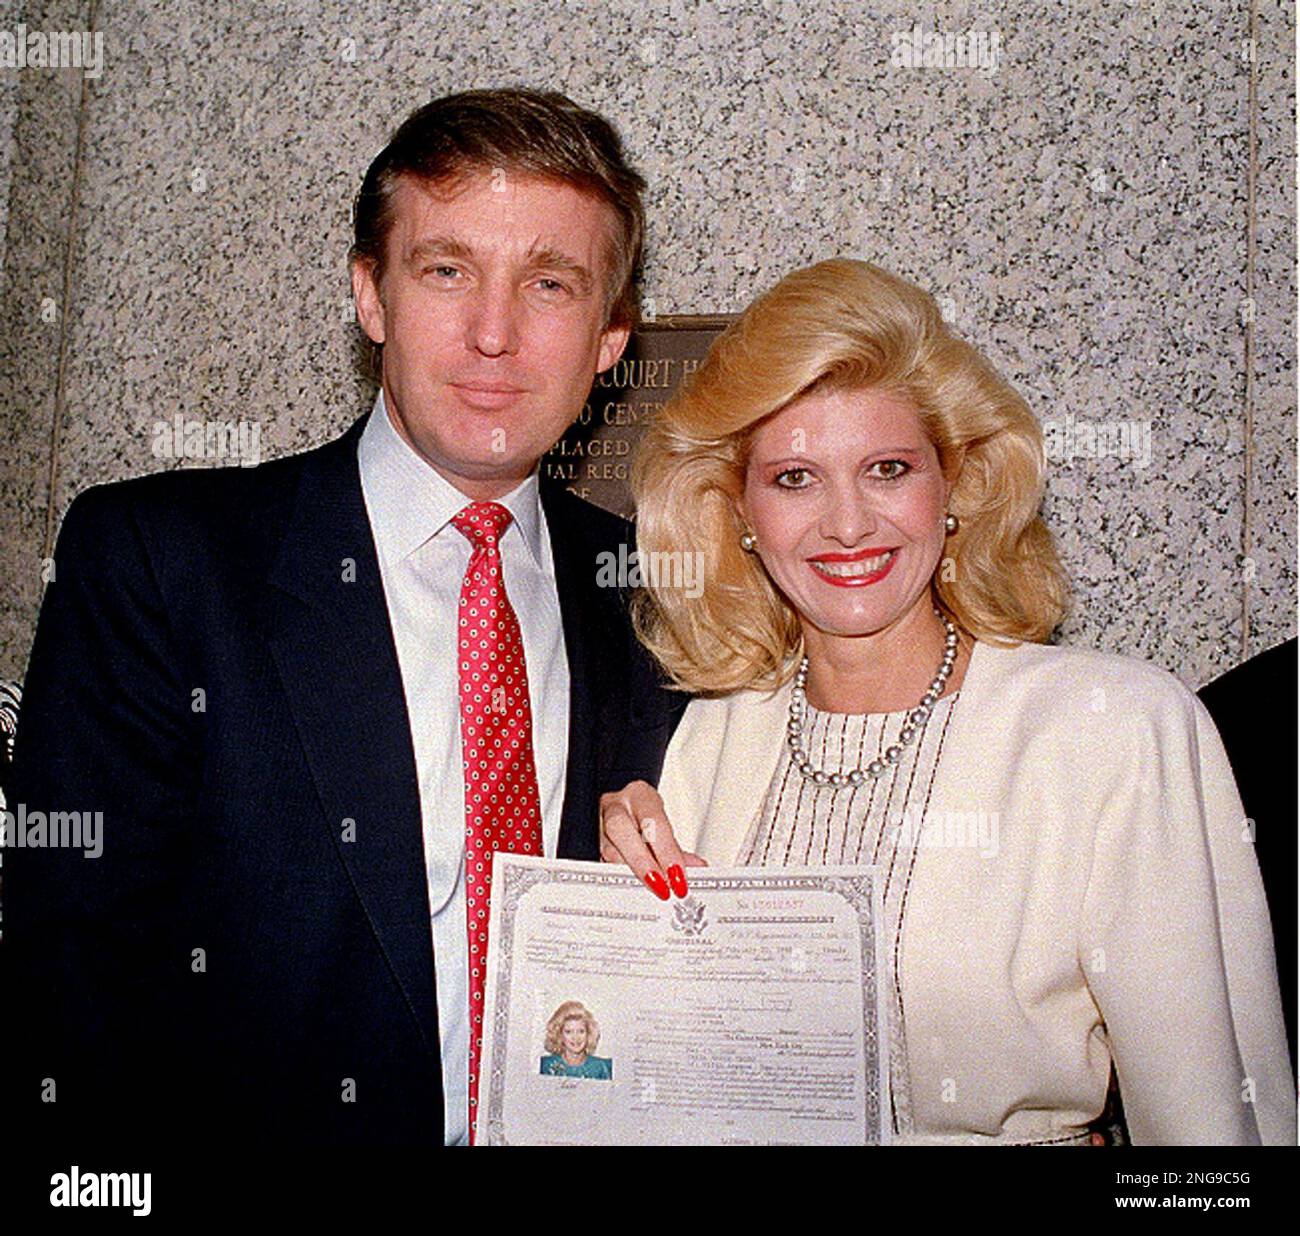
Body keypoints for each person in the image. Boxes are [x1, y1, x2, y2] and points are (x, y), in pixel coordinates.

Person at [3, 88, 680, 1152]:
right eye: (445, 270)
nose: (493, 334)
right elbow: (72, 977)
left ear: (609, 336)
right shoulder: (161, 562)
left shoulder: (653, 596)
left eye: (549, 285)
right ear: (370, 295)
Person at [600, 258, 1295, 1145]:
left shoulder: (1114, 732)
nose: (847, 523)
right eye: (794, 478)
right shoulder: (712, 737)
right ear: (736, 510)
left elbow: (1215, 1140)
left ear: (954, 484)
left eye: (887, 468)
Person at [539, 1000, 613, 1079]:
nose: (575, 1038)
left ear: (589, 1033)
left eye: (581, 1031)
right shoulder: (544, 1065)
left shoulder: (600, 1067)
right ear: (559, 1035)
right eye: (568, 1032)